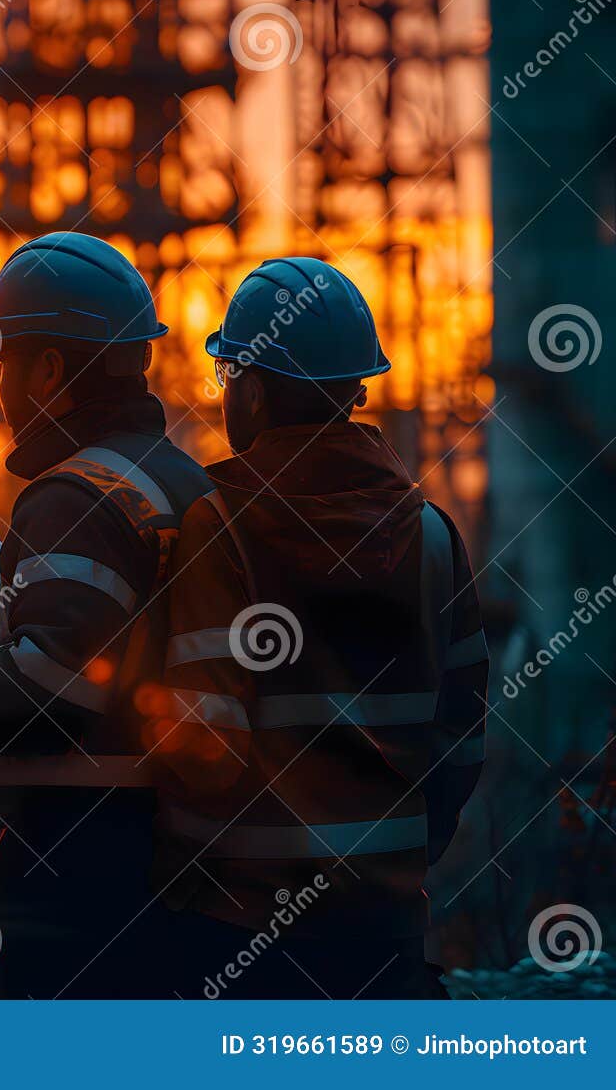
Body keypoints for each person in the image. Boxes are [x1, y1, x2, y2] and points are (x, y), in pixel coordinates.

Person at [0, 232, 210, 998]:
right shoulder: (185, 484)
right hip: (171, 873)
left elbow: (49, 693)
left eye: (2, 362)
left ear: (49, 371)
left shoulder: (74, 498)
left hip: (72, 885)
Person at [151, 256, 488, 999]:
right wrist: (393, 860)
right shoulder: (434, 536)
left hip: (242, 935)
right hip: (385, 931)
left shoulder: (221, 529)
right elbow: (462, 739)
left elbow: (204, 747)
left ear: (255, 391)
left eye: (228, 375)